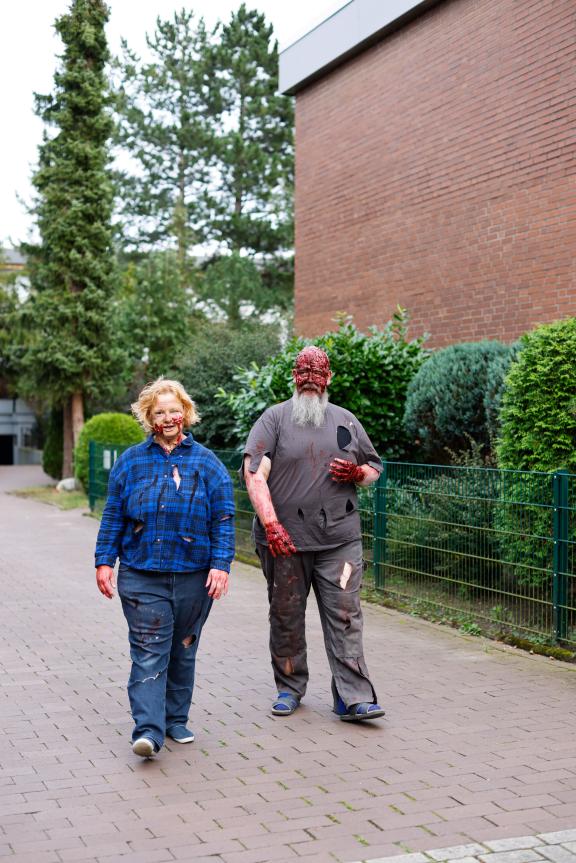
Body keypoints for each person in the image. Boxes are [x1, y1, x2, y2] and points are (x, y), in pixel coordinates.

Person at [242, 346, 385, 722]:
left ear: (329, 378)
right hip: (284, 541)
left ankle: (353, 697)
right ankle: (289, 688)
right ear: (293, 376)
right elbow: (255, 474)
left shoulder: (346, 421)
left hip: (339, 539)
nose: (309, 379)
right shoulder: (274, 420)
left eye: (316, 372)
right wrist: (271, 525)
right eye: (303, 372)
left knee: (345, 615)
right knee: (286, 614)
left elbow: (373, 467)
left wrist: (357, 475)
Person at [95, 378, 235, 757]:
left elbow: (223, 517)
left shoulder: (207, 463)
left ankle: (175, 720)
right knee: (149, 650)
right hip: (142, 574)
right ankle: (148, 731)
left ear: (185, 414)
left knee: (183, 650)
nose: (168, 417)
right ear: (148, 417)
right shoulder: (131, 462)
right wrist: (104, 560)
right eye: (160, 412)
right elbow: (113, 516)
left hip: (193, 575)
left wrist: (221, 565)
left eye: (174, 410)